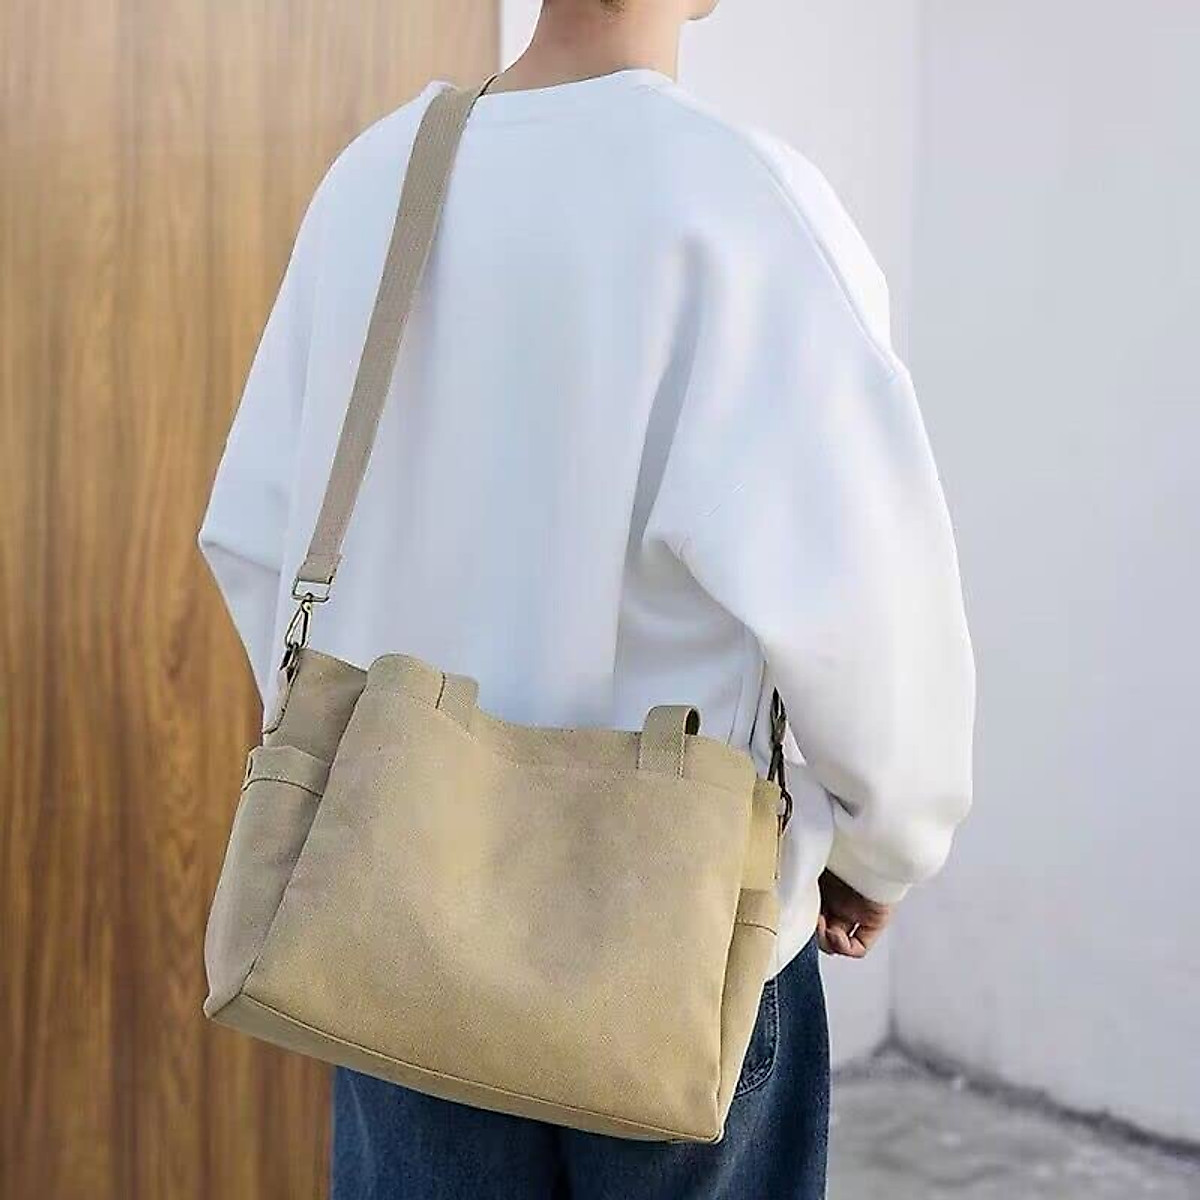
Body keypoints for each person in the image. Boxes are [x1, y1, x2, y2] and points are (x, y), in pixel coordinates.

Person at [197, 0, 976, 1195]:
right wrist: (881, 848)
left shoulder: (375, 183)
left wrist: (357, 775)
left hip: (388, 933)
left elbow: (255, 536)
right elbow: (872, 618)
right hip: (672, 941)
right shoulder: (743, 206)